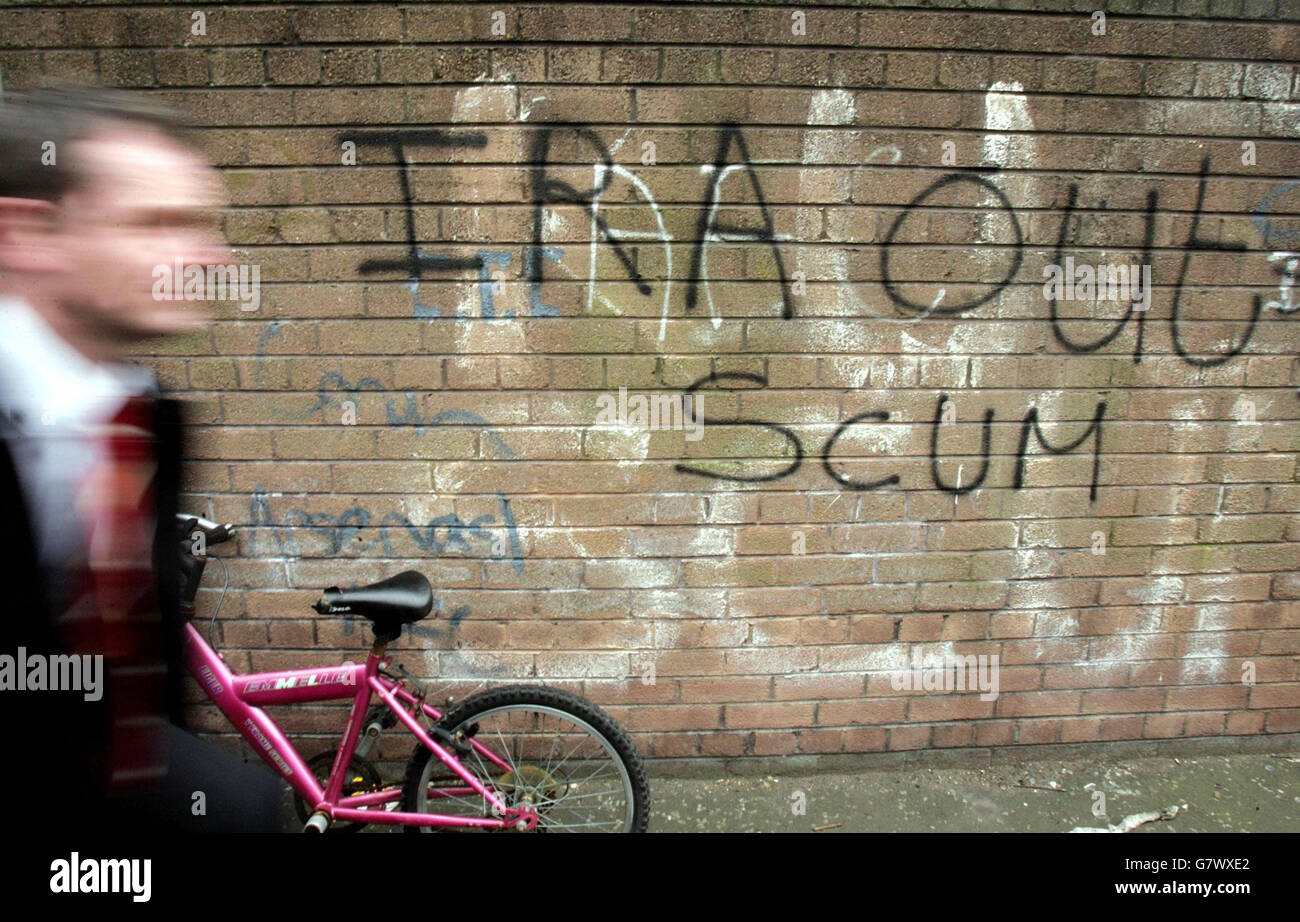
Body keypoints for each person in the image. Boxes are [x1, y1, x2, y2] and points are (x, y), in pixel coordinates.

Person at [0, 86, 286, 832]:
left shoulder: (148, 420)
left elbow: (123, 707)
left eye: (204, 225)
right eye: (159, 223)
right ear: (27, 233)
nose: (209, 257)